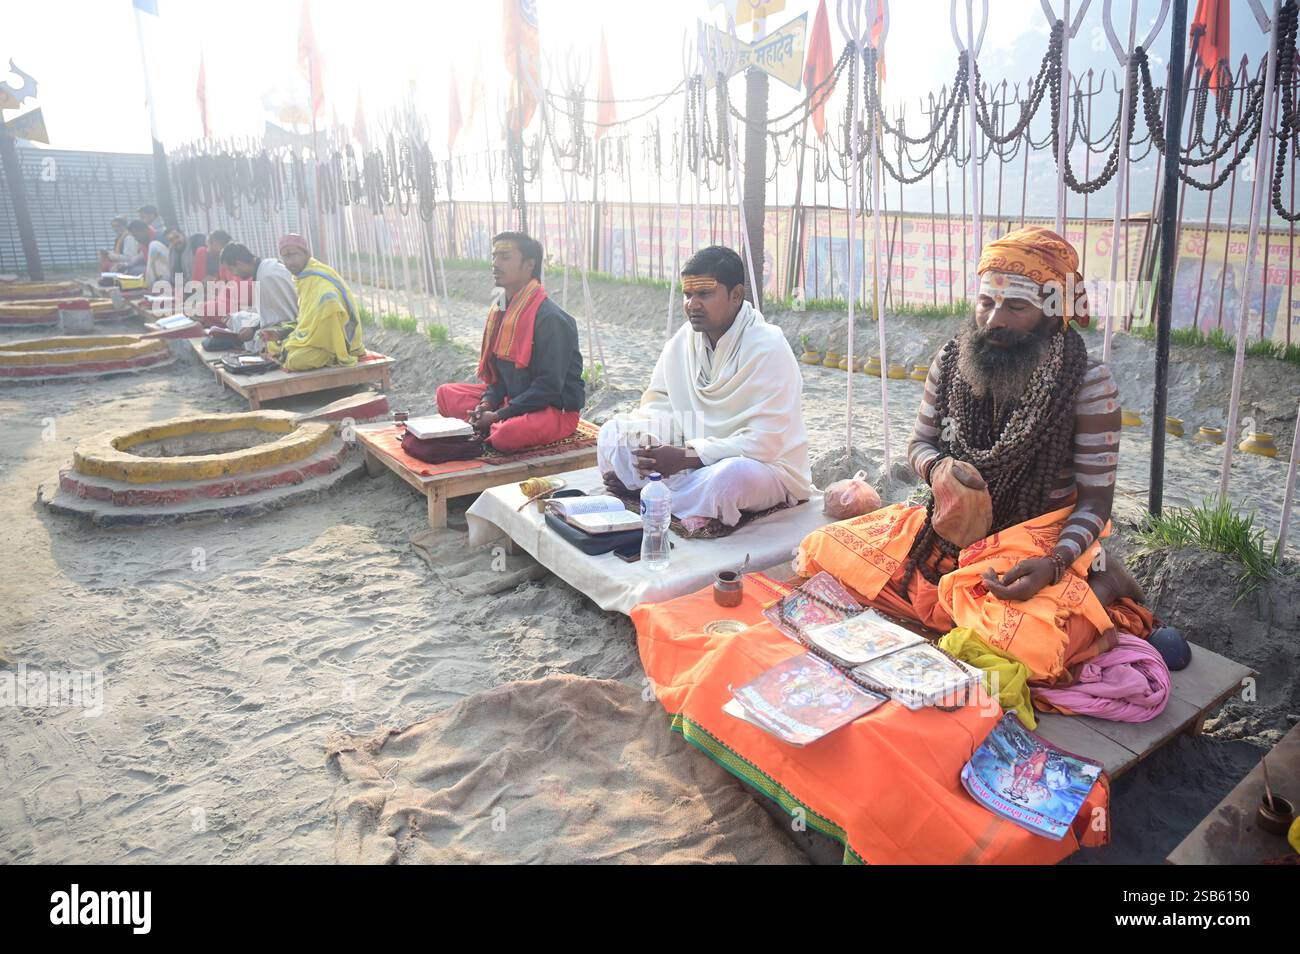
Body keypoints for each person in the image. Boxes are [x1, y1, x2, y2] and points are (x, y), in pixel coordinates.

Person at [796, 226, 1148, 684]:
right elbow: (919, 445)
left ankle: (1104, 583)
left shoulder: (1089, 384)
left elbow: (1096, 503)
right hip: (947, 528)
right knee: (821, 552)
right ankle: (1062, 593)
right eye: (986, 303)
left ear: (1052, 312)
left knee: (1026, 647)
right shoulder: (951, 361)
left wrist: (1055, 564)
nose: (994, 319)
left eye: (1015, 307)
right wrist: (939, 467)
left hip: (1036, 538)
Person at [597, 245, 811, 530]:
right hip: (690, 455)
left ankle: (645, 492)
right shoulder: (683, 341)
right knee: (613, 433)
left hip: (763, 467)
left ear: (736, 295)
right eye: (688, 295)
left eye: (704, 294)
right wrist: (650, 439)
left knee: (730, 480)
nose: (692, 305)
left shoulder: (769, 347)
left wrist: (685, 457)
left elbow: (765, 442)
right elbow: (661, 404)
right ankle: (668, 493)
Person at [435, 232, 585, 453]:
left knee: (505, 435)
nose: (495, 264)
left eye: (505, 257)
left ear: (529, 265)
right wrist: (486, 403)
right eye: (494, 257)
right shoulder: (501, 309)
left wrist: (499, 415)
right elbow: (499, 377)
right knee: (446, 395)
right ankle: (491, 424)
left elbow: (549, 387)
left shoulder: (551, 319)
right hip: (511, 400)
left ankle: (493, 426)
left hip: (552, 410)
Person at [266, 233, 365, 371]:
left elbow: (330, 330)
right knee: (271, 343)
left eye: (293, 255)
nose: (289, 262)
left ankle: (331, 357)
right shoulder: (303, 278)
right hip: (312, 337)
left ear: (306, 253)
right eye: (285, 257)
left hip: (332, 344)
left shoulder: (322, 285)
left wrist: (299, 340)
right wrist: (285, 334)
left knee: (295, 360)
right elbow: (306, 321)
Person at [203, 242, 299, 353]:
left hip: (289, 329)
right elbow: (268, 310)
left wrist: (252, 330)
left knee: (259, 337)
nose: (233, 274)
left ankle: (238, 343)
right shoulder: (267, 265)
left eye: (231, 270)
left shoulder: (265, 278)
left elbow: (280, 320)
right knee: (237, 317)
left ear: (239, 264)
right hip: (283, 321)